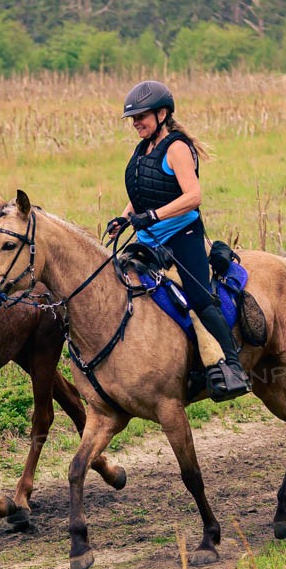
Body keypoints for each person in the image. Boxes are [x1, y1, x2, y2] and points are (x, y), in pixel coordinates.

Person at [107, 80, 250, 402]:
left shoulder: (177, 148)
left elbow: (193, 195)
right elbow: (143, 190)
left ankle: (233, 364)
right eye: (133, 119)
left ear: (162, 113)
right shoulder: (142, 148)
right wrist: (124, 217)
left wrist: (155, 216)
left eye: (141, 117)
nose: (136, 123)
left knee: (199, 298)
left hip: (182, 236)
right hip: (148, 238)